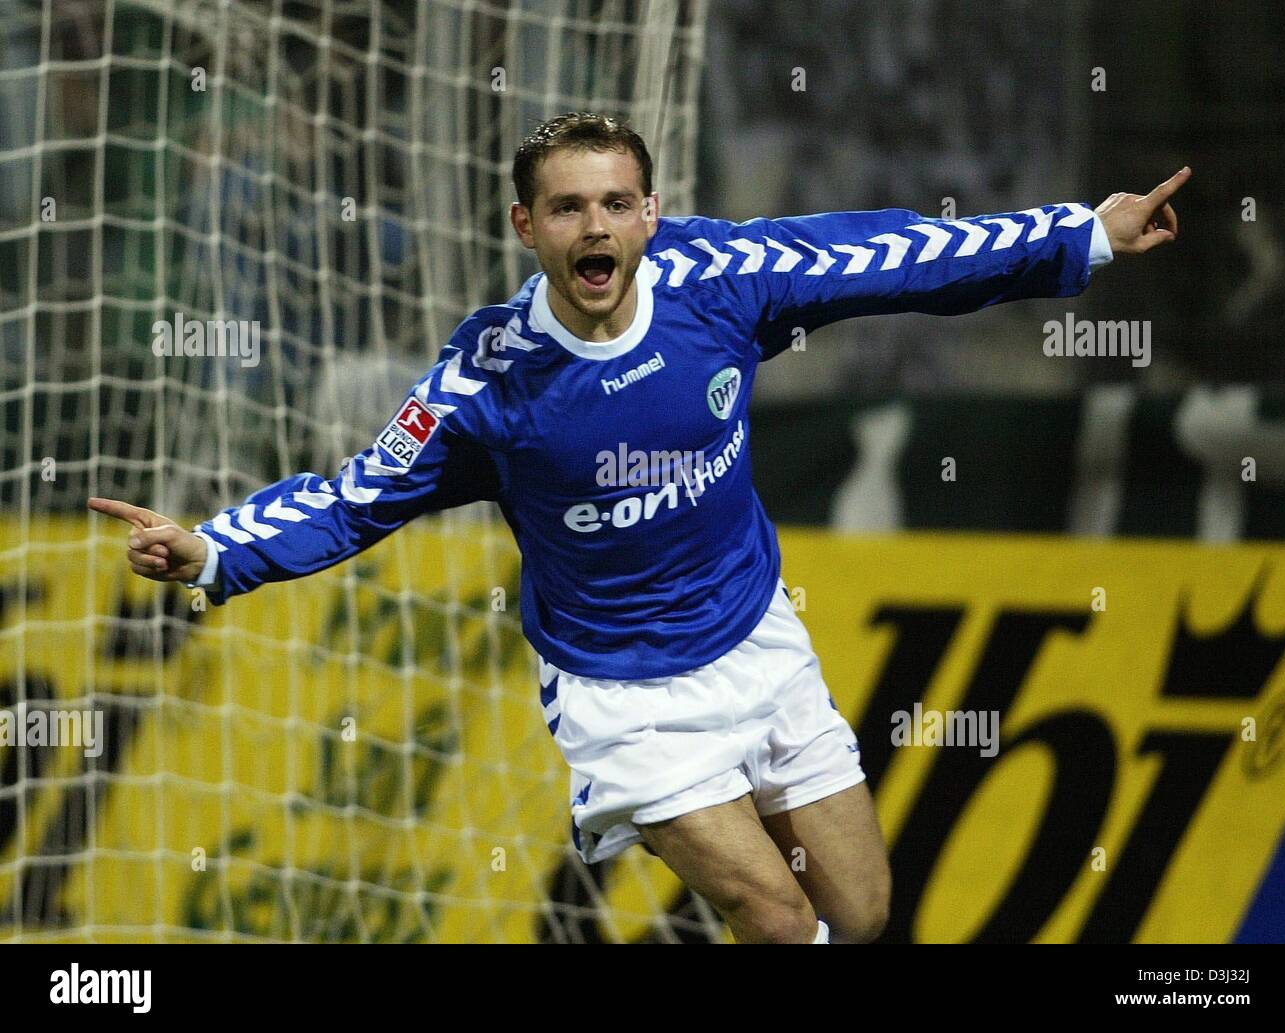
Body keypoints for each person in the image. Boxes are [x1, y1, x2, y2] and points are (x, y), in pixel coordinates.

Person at [89, 112, 1188, 944]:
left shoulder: (721, 282)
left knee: (857, 912)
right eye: (567, 209)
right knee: (769, 914)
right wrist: (216, 549)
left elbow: (894, 257)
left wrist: (1083, 236)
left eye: (616, 203)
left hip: (757, 641)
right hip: (624, 698)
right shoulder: (488, 379)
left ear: (649, 213)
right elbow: (360, 493)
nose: (595, 227)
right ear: (527, 227)